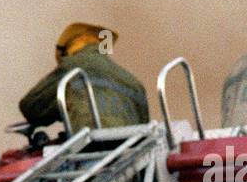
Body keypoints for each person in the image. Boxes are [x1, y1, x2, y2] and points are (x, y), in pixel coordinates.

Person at [19, 22, 149, 133]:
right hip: (131, 152)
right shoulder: (134, 83)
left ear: (68, 50)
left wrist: (61, 111)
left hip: (91, 148)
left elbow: (32, 107)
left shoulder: (73, 67)